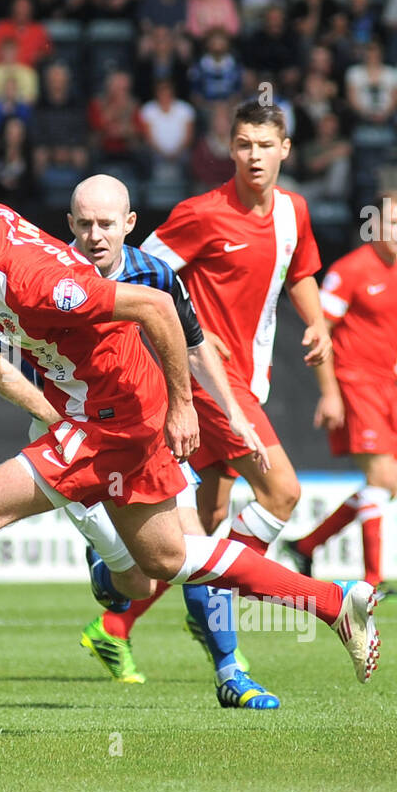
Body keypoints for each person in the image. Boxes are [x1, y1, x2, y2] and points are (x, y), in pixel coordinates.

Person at [0, 171, 381, 720]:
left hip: (111, 420)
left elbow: (156, 308)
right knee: (167, 560)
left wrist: (185, 406)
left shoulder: (43, 283)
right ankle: (335, 604)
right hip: (121, 407)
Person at [0, 174, 280, 707]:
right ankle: (111, 585)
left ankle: (231, 671)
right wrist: (49, 413)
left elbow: (195, 346)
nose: (95, 235)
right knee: (137, 582)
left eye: (107, 224)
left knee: (194, 544)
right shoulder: (38, 270)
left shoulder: (154, 273)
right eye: (85, 224)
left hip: (140, 439)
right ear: (69, 224)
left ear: (129, 225)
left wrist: (233, 414)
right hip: (71, 447)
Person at [139, 100, 330, 579]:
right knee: (282, 491)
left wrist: (319, 321)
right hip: (208, 378)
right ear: (230, 149)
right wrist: (192, 329)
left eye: (265, 145)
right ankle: (229, 591)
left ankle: (115, 622)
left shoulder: (294, 212)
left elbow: (301, 274)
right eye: (244, 144)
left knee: (208, 519)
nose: (255, 155)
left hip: (250, 375)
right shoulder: (202, 213)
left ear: (285, 149)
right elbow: (140, 272)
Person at [286, 193, 397, 602]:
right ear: (374, 226)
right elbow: (321, 332)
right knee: (382, 479)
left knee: (388, 486)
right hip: (356, 382)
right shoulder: (349, 270)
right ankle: (372, 581)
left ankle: (305, 546)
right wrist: (329, 392)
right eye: (393, 224)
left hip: (389, 385)